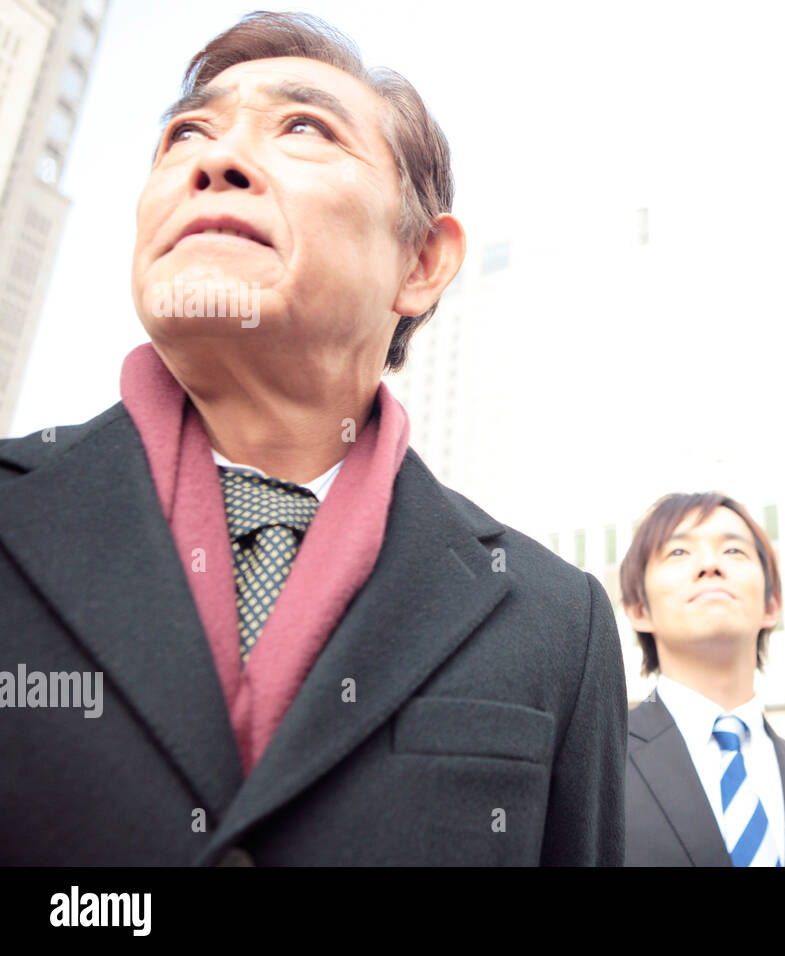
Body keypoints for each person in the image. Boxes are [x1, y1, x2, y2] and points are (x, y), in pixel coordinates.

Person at [0, 12, 624, 866]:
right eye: (187, 133)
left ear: (421, 263)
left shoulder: (555, 620)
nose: (213, 162)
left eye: (304, 127)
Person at [621, 492, 785, 866]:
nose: (710, 564)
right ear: (638, 609)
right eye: (678, 552)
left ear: (771, 606)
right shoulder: (596, 770)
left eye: (733, 551)